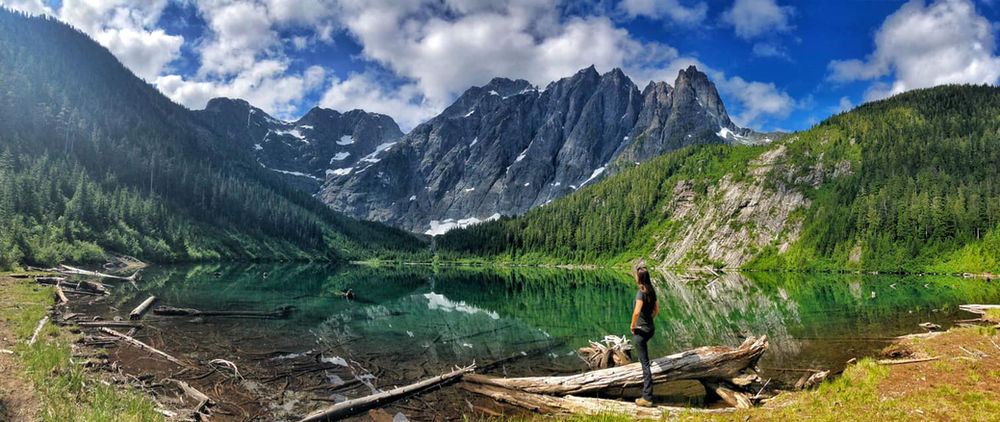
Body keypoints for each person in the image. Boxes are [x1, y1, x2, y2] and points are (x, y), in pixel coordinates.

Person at [630, 262, 658, 407]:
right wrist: (648, 321)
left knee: (645, 364)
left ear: (639, 278)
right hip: (650, 329)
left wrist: (633, 325)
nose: (634, 276)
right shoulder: (651, 290)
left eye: (636, 274)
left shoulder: (641, 292)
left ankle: (647, 397)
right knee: (644, 357)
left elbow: (636, 312)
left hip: (641, 331)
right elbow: (656, 310)